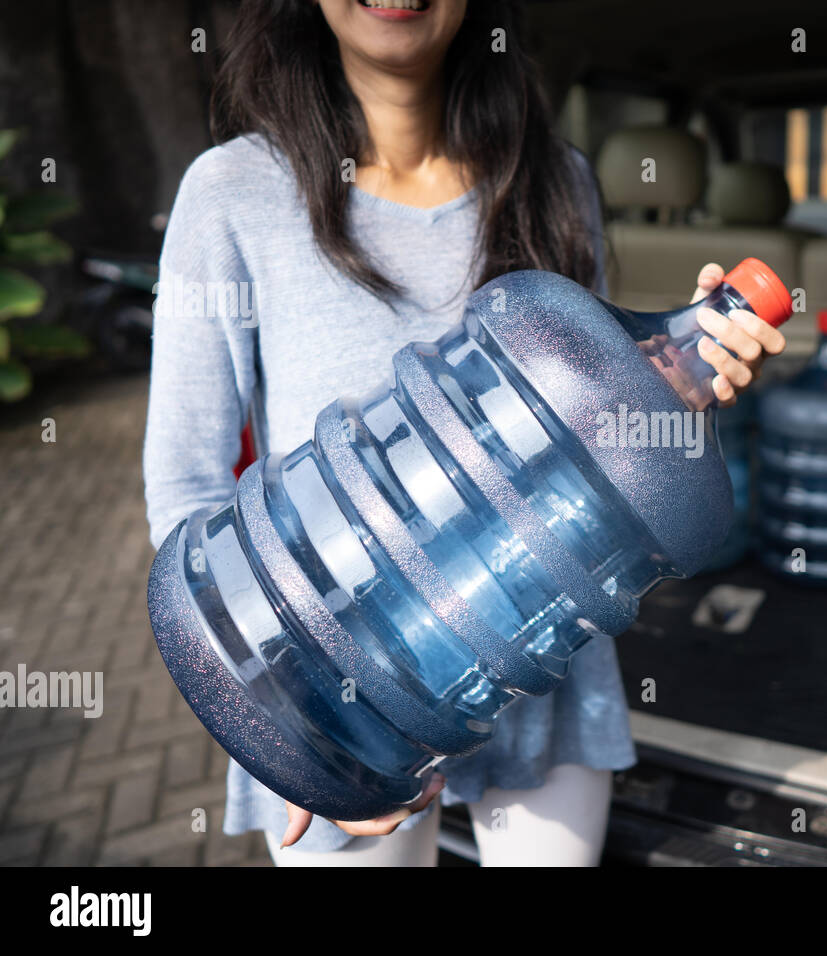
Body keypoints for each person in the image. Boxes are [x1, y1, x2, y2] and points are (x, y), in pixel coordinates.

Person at [143, 0, 785, 867]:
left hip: (530, 663)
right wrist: (284, 732)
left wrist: (678, 387)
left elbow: (598, 447)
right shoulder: (233, 194)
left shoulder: (556, 179)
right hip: (334, 690)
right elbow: (186, 480)